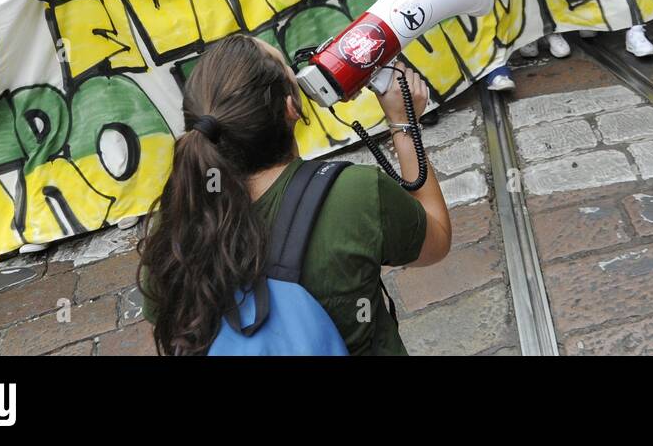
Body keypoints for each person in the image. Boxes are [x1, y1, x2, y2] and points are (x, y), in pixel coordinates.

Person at [138, 35, 450, 355]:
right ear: (291, 107)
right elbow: (436, 240)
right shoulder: (353, 195)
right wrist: (403, 123)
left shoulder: (174, 226)